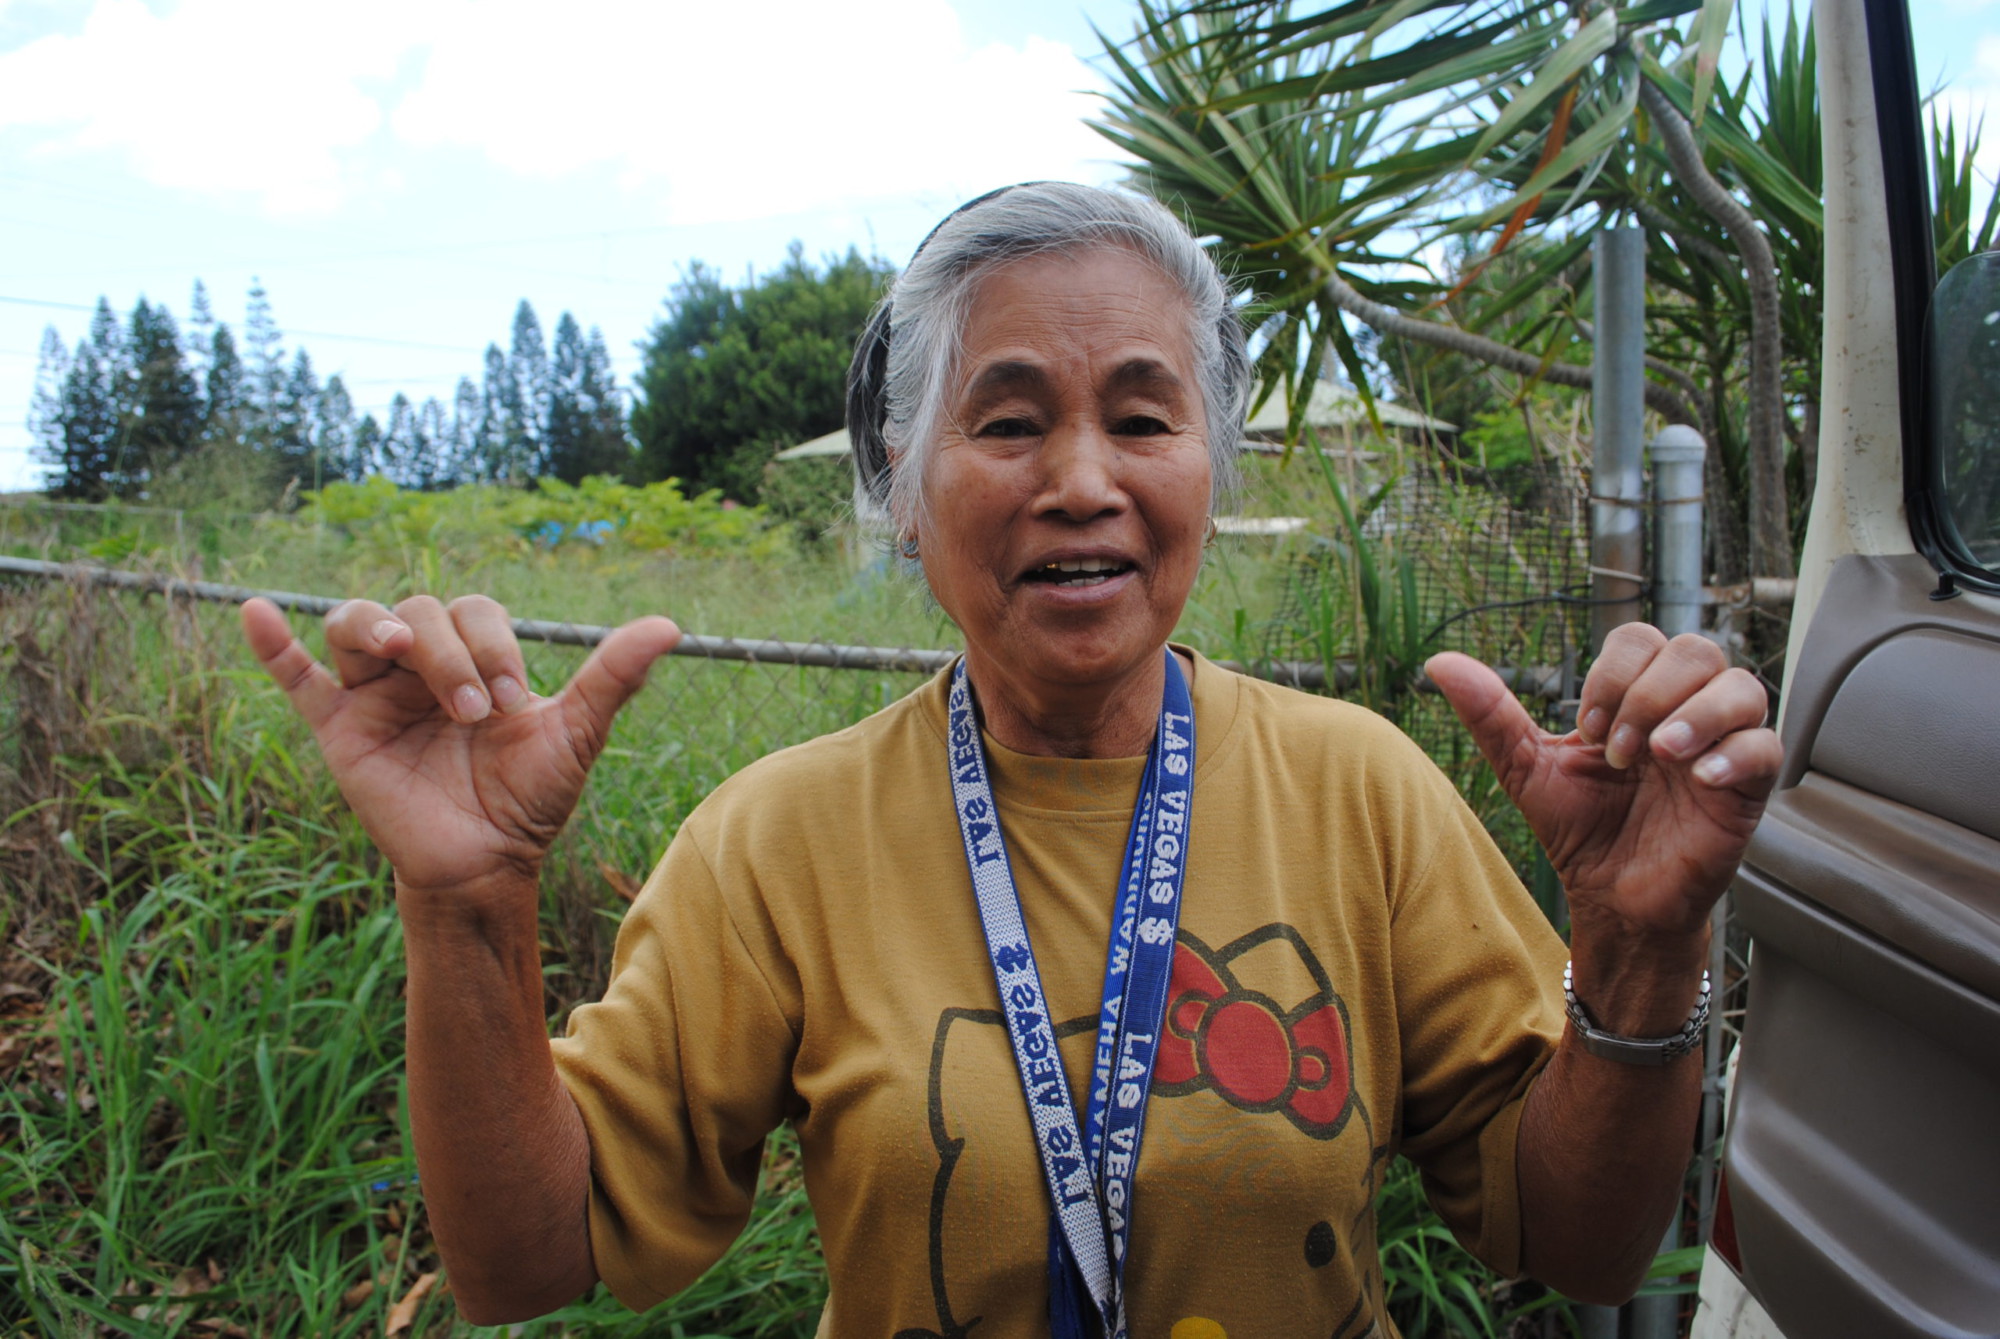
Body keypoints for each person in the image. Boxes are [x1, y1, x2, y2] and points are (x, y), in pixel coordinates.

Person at [239, 183, 1780, 1336]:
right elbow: (522, 1258)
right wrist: (467, 904)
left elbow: (1577, 1244)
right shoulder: (786, 840)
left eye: (1141, 417)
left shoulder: (1357, 790)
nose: (1083, 482)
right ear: (906, 497)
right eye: (1009, 422)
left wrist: (1643, 957)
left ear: (1208, 471)